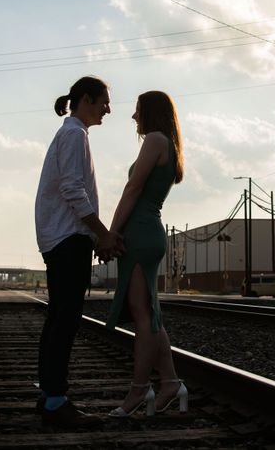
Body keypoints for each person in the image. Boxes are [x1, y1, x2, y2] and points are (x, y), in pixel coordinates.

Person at [35, 76, 124, 427]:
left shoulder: (71, 133)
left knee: (59, 319)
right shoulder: (74, 134)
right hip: (66, 239)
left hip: (66, 238)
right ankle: (55, 402)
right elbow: (73, 190)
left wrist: (93, 237)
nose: (108, 108)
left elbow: (71, 191)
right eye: (104, 100)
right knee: (65, 320)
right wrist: (101, 234)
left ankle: (49, 397)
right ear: (86, 99)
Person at [106, 91, 189, 418]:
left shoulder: (155, 139)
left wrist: (111, 233)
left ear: (150, 112)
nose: (133, 116)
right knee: (150, 314)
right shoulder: (166, 142)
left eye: (137, 110)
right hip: (146, 231)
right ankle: (169, 382)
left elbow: (133, 188)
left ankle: (139, 391)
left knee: (142, 315)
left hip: (140, 233)